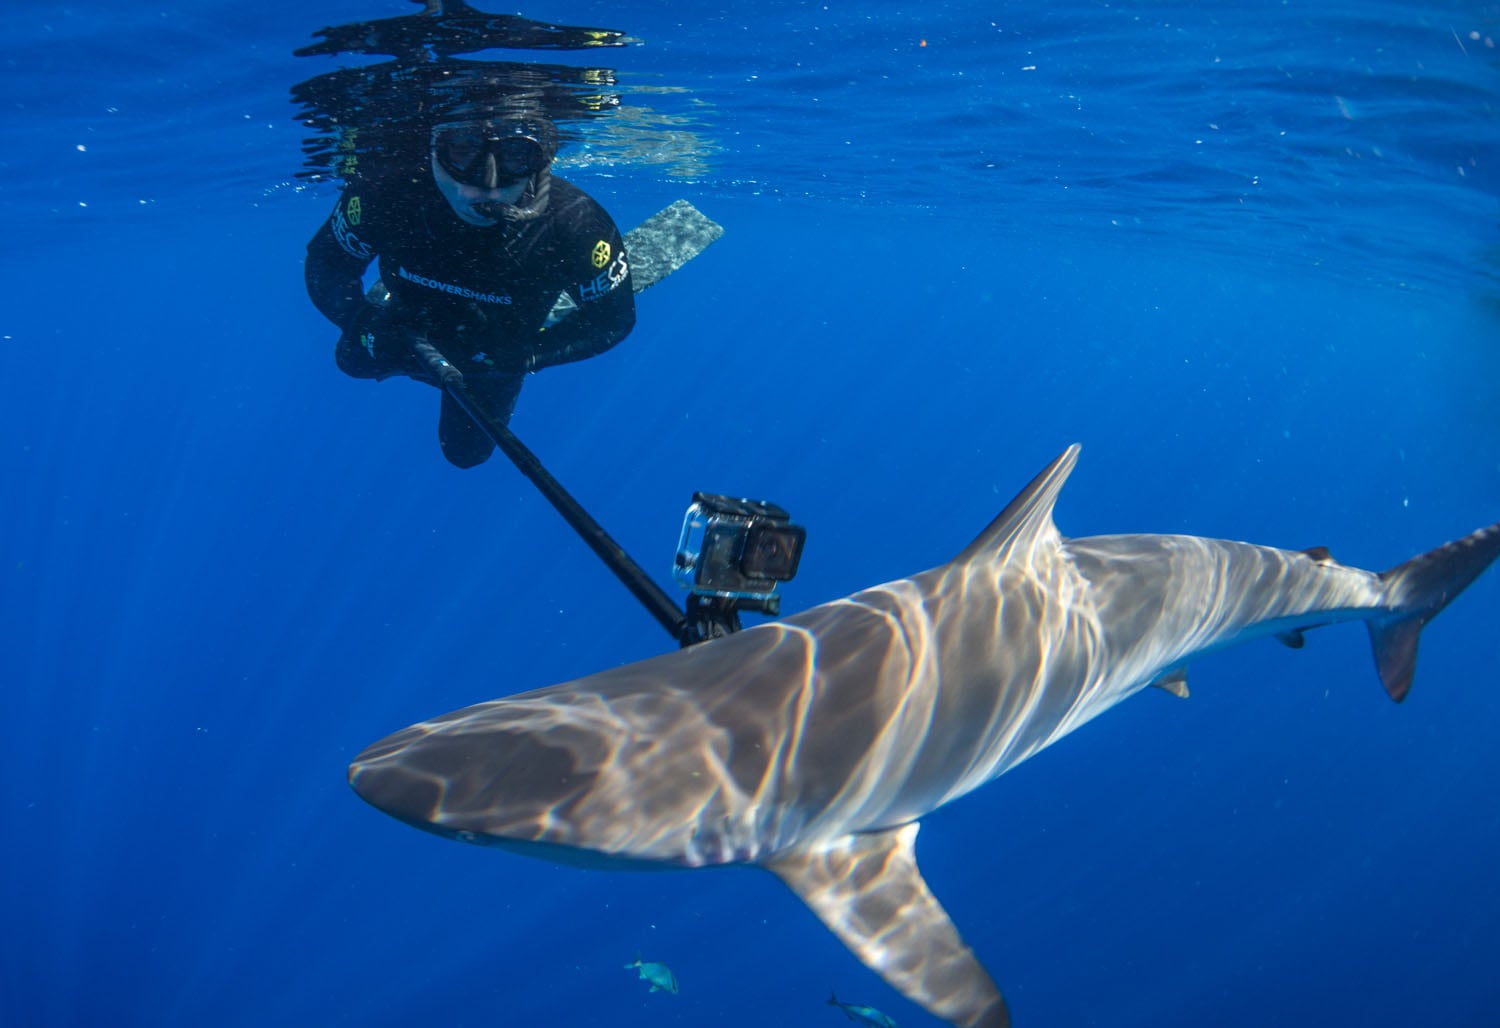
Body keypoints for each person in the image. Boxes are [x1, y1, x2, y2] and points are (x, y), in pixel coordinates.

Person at [305, 112, 635, 468]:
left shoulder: (576, 224)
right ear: (432, 149)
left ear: (541, 160)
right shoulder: (384, 192)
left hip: (493, 351)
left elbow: (612, 321)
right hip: (408, 325)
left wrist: (525, 355)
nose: (485, 184)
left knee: (466, 453)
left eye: (514, 154)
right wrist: (363, 322)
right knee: (351, 361)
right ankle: (385, 301)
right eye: (462, 149)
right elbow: (329, 264)